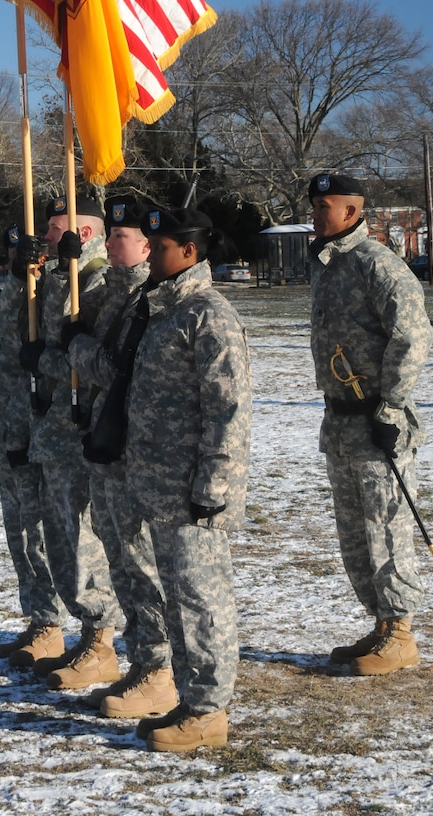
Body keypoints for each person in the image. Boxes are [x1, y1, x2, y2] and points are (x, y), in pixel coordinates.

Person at [125, 206, 252, 754]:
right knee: (178, 600)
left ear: (191, 252)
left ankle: (208, 713)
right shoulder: (161, 311)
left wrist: (215, 488)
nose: (151, 252)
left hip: (195, 489)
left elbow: (230, 410)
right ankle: (190, 697)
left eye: (161, 246)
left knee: (202, 599)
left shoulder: (209, 315)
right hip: (159, 484)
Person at [307, 173, 433, 676]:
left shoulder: (376, 263)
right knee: (355, 533)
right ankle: (382, 623)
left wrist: (392, 405)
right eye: (315, 205)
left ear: (353, 212)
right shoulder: (325, 264)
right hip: (339, 422)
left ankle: (401, 631)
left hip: (377, 422)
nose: (317, 214)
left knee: (387, 526)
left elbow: (413, 336)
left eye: (326, 205)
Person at [63, 196, 176, 719]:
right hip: (103, 443)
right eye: (107, 237)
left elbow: (110, 366)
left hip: (135, 449)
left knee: (140, 560)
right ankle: (139, 662)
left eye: (120, 238)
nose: (109, 244)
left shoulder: (149, 298)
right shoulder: (110, 289)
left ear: (149, 247)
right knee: (120, 559)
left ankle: (159, 669)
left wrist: (76, 348)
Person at [10, 194, 123, 691]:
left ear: (89, 234)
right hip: (52, 430)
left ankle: (102, 639)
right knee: (59, 537)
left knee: (83, 536)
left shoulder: (98, 284)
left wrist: (47, 363)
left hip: (83, 429)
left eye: (59, 228)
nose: (50, 236)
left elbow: (85, 362)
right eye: (51, 228)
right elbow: (28, 338)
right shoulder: (59, 280)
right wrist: (28, 276)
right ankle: (82, 632)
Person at [0, 226, 67, 663]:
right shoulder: (18, 290)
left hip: (36, 429)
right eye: (18, 253)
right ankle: (39, 619)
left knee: (40, 533)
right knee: (20, 536)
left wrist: (44, 277)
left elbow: (33, 334)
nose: (28, 261)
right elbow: (3, 341)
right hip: (5, 429)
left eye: (29, 253)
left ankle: (52, 621)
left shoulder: (58, 289)